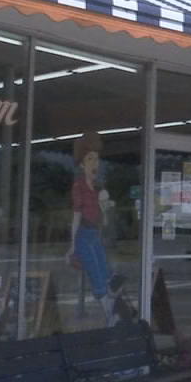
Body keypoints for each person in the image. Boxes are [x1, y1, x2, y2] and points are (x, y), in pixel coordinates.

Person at [65, 132, 125, 326]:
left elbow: (103, 220)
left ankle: (115, 316)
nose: (95, 163)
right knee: (99, 279)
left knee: (107, 275)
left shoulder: (97, 188)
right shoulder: (79, 187)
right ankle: (111, 319)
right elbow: (76, 216)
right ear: (82, 164)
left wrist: (105, 207)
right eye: (90, 159)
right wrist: (72, 245)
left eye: (96, 159)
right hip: (83, 235)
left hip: (94, 234)